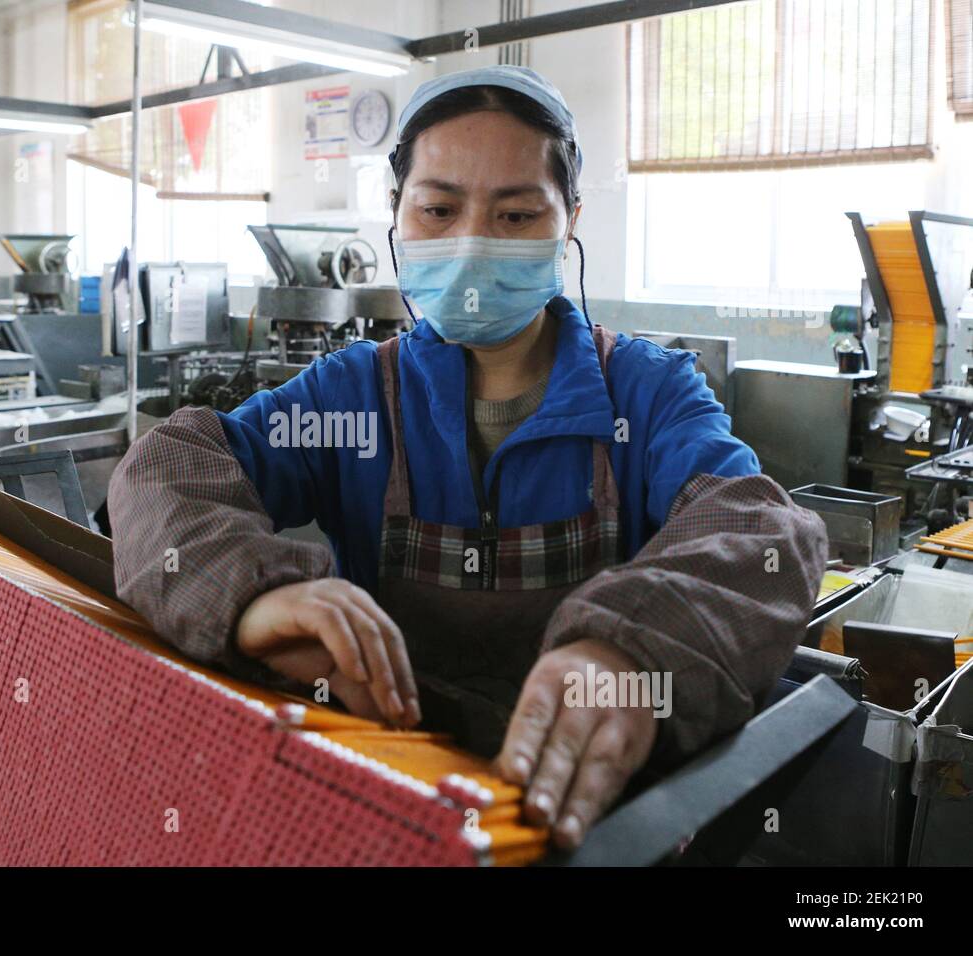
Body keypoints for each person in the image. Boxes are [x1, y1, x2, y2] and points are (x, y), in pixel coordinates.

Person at [106, 66, 827, 851]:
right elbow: (164, 470)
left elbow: (762, 533)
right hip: (395, 806)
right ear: (397, 213)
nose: (472, 244)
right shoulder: (352, 399)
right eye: (439, 209)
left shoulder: (645, 396)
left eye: (516, 214)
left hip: (587, 821)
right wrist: (247, 594)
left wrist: (630, 648)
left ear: (570, 219)